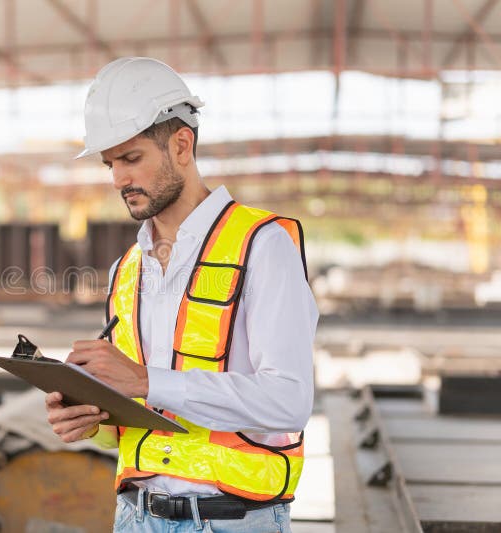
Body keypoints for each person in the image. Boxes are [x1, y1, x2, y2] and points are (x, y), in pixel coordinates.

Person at [45, 57, 318, 533]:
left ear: (182, 145)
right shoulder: (126, 271)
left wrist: (146, 380)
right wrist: (89, 416)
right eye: (110, 164)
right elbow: (136, 413)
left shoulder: (262, 246)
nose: (117, 180)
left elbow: (289, 400)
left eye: (131, 159)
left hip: (231, 521)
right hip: (134, 516)